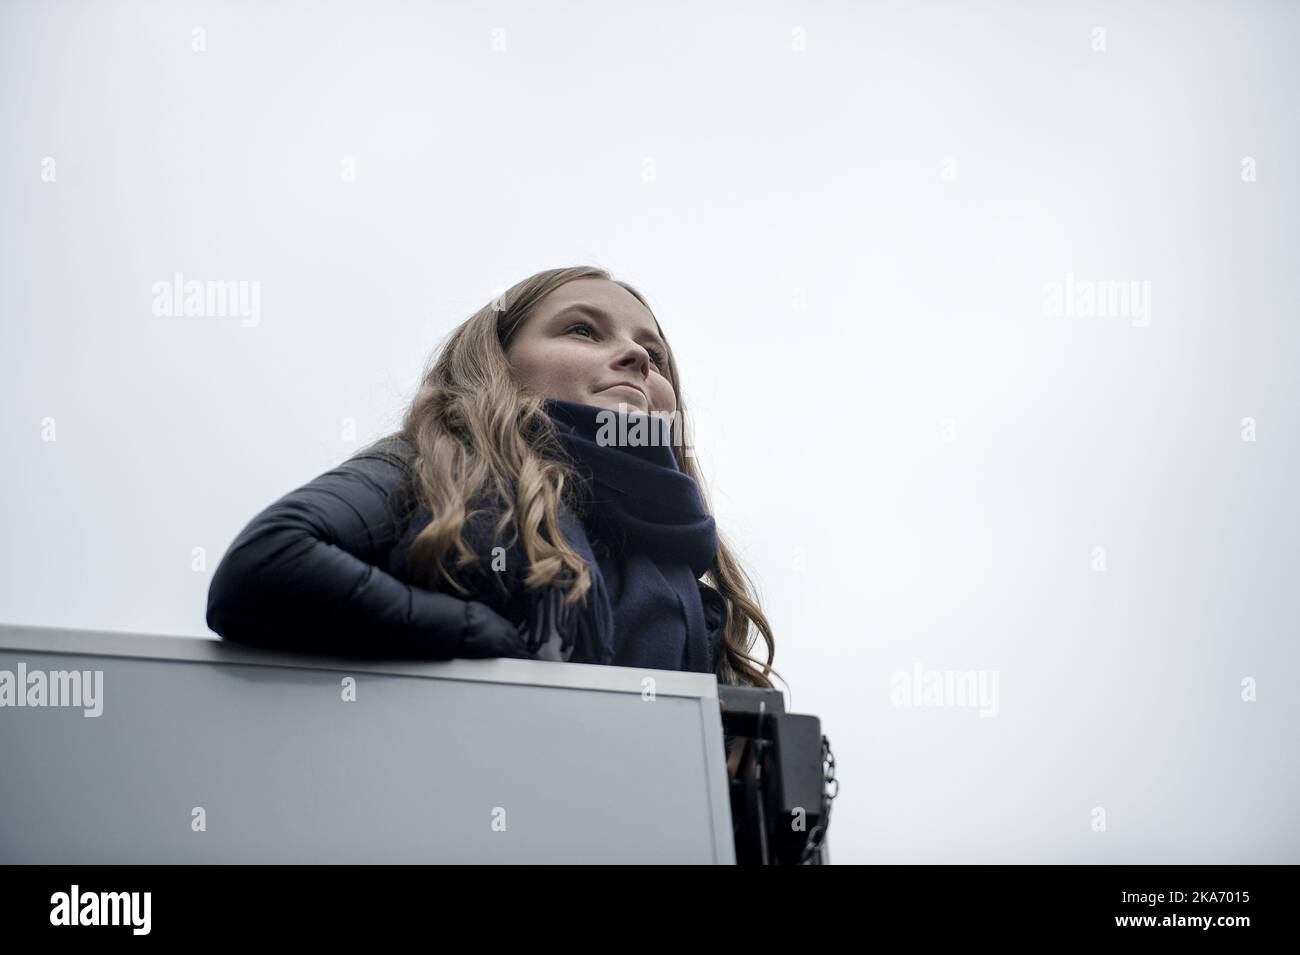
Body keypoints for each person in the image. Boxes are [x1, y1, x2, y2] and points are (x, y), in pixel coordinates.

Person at [206, 265, 780, 689]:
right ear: (498, 364)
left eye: (650, 349)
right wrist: (490, 641)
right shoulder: (434, 468)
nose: (636, 356)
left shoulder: (698, 594)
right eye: (583, 330)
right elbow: (268, 562)